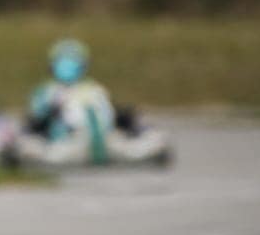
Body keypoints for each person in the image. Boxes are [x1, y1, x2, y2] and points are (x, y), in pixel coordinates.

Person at [21, 38, 167, 166]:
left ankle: (141, 143)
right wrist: (52, 111)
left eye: (72, 61)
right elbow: (35, 120)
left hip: (104, 139)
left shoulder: (94, 89)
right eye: (63, 62)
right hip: (64, 141)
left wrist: (124, 118)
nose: (67, 67)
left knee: (142, 135)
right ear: (53, 65)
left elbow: (110, 113)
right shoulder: (48, 91)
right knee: (29, 145)